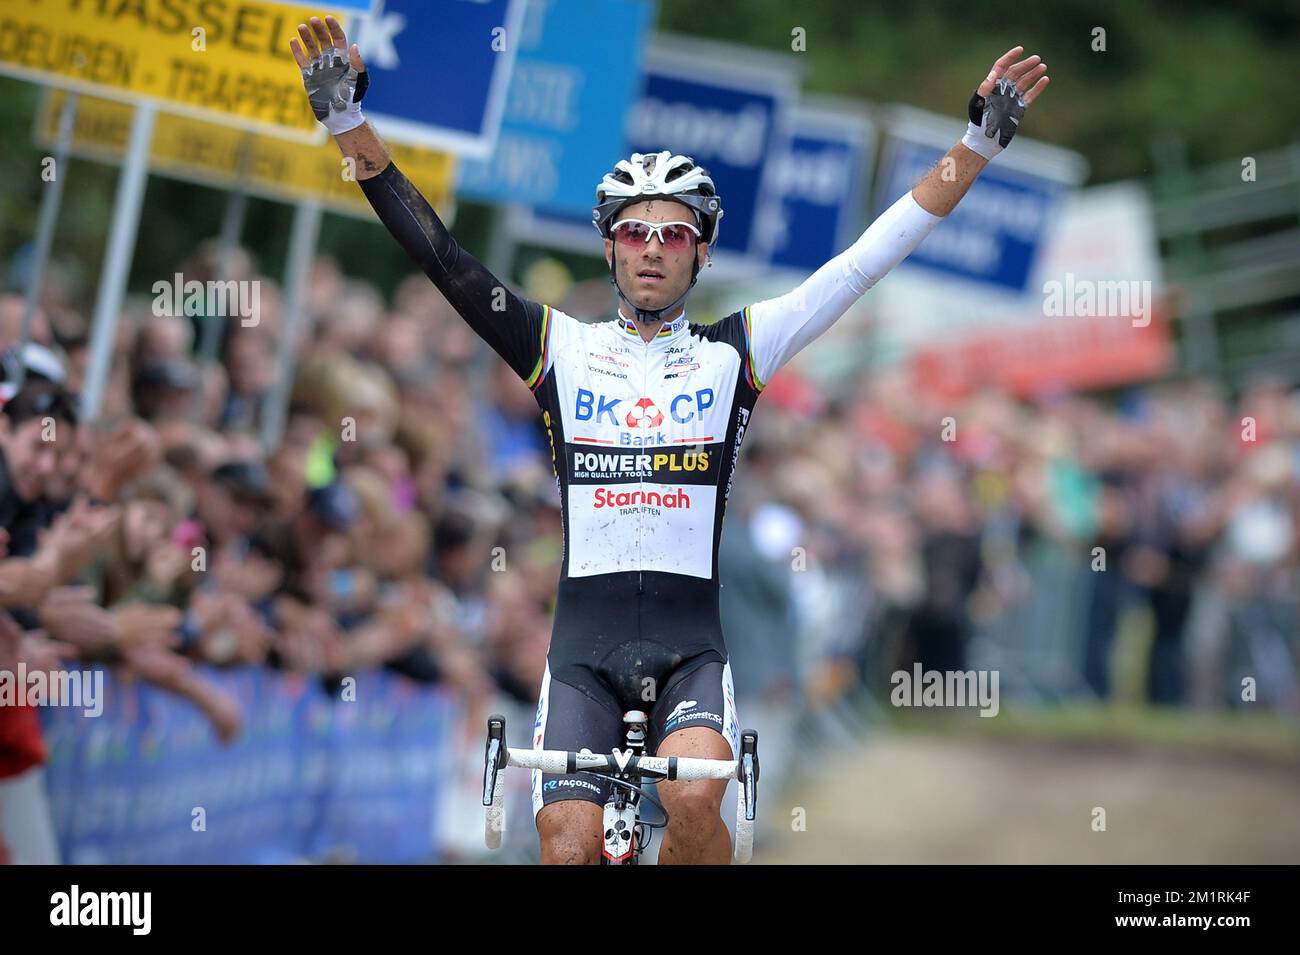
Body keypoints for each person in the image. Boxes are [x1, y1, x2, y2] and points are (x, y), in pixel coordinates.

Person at [290, 16, 1049, 864]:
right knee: (567, 843)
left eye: (675, 233)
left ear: (701, 253)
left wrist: (974, 145)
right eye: (635, 232)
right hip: (582, 647)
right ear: (610, 247)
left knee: (693, 792)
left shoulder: (740, 349)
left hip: (690, 650)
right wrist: (346, 124)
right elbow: (443, 259)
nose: (653, 250)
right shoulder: (559, 349)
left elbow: (866, 259)